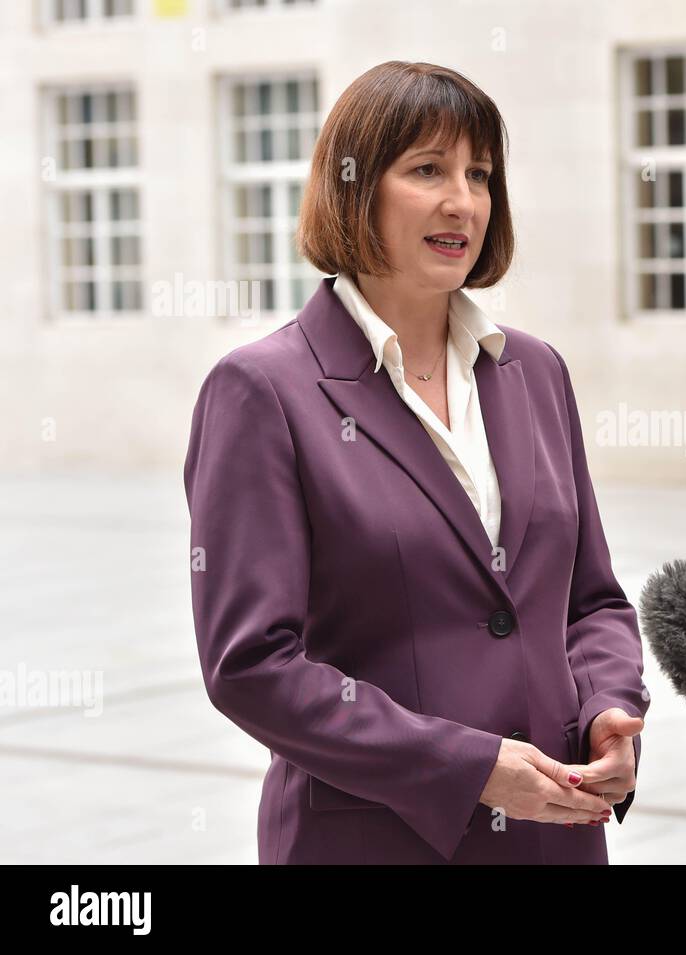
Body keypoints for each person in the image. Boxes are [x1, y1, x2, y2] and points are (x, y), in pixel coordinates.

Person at [183, 61, 648, 864]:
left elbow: (591, 599)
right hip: (366, 841)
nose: (461, 200)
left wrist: (610, 704)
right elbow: (251, 665)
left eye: (479, 174)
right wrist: (469, 769)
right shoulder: (263, 390)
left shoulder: (535, 372)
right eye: (427, 169)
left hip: (554, 837)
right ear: (353, 189)